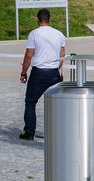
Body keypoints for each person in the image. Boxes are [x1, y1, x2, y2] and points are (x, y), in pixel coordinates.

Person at [19, 8, 65, 140]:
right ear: (49, 19)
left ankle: (29, 132)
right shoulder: (59, 34)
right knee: (56, 105)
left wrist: (23, 72)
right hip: (54, 73)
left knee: (30, 102)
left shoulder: (34, 34)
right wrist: (57, 68)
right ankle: (58, 133)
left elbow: (29, 55)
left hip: (38, 73)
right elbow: (62, 54)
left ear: (38, 20)